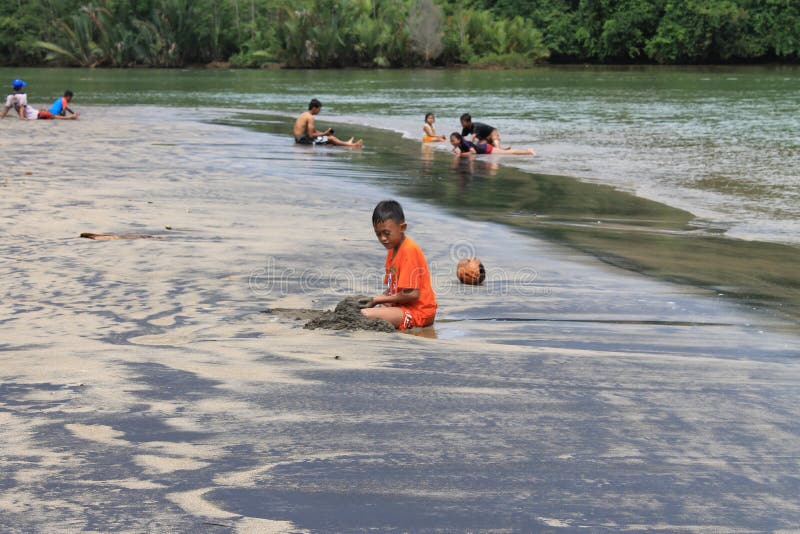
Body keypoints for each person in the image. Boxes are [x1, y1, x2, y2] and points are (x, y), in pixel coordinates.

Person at [360, 200, 437, 330]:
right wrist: (377, 301)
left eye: (387, 233)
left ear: (402, 228)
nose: (383, 238)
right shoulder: (392, 250)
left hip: (419, 312)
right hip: (401, 306)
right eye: (378, 234)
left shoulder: (408, 250)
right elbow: (392, 289)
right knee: (365, 309)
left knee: (365, 315)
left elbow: (413, 294)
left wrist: (377, 300)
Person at [293, 98, 363, 147]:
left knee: (330, 139)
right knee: (331, 139)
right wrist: (324, 133)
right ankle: (352, 145)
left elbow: (314, 131)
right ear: (314, 108)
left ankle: (347, 143)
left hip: (300, 139)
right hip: (303, 141)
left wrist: (325, 134)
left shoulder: (304, 114)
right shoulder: (310, 117)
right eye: (319, 109)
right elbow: (311, 135)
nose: (319, 111)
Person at [1, 79, 78, 121]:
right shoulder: (23, 95)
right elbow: (22, 107)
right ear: (21, 87)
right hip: (34, 115)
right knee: (52, 116)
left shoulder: (9, 96)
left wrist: (2, 117)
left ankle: (70, 116)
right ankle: (70, 117)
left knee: (47, 114)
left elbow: (6, 109)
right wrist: (22, 118)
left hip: (34, 114)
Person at [450, 132, 534, 156]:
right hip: (485, 148)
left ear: (459, 139)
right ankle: (527, 151)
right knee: (505, 152)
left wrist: (461, 154)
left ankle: (528, 151)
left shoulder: (464, 143)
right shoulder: (460, 144)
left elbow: (473, 152)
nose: (451, 142)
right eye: (451, 141)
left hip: (487, 149)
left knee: (509, 153)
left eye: (453, 140)